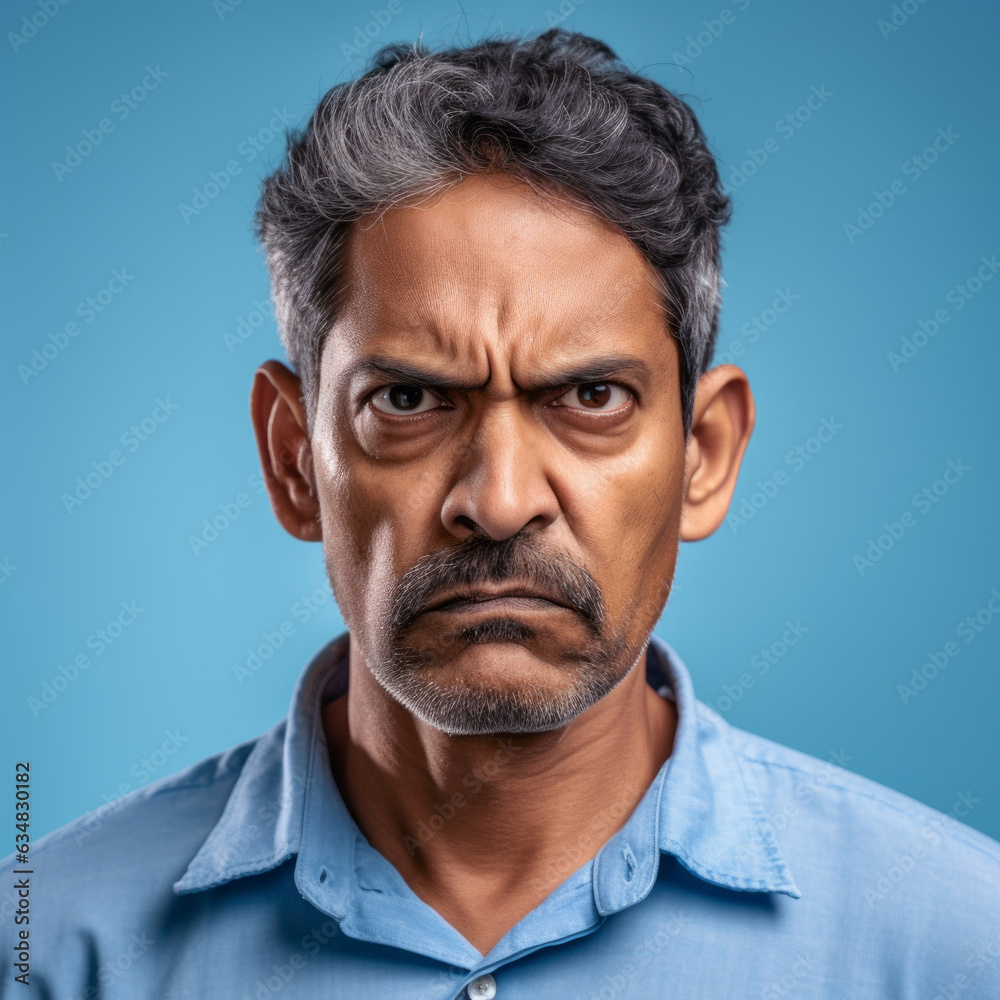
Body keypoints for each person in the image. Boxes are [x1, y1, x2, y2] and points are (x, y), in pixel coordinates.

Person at [4, 29, 999, 999]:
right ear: (294, 459)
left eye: (590, 398)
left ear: (703, 456)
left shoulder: (958, 948)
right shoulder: (43, 950)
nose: (499, 499)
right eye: (407, 400)